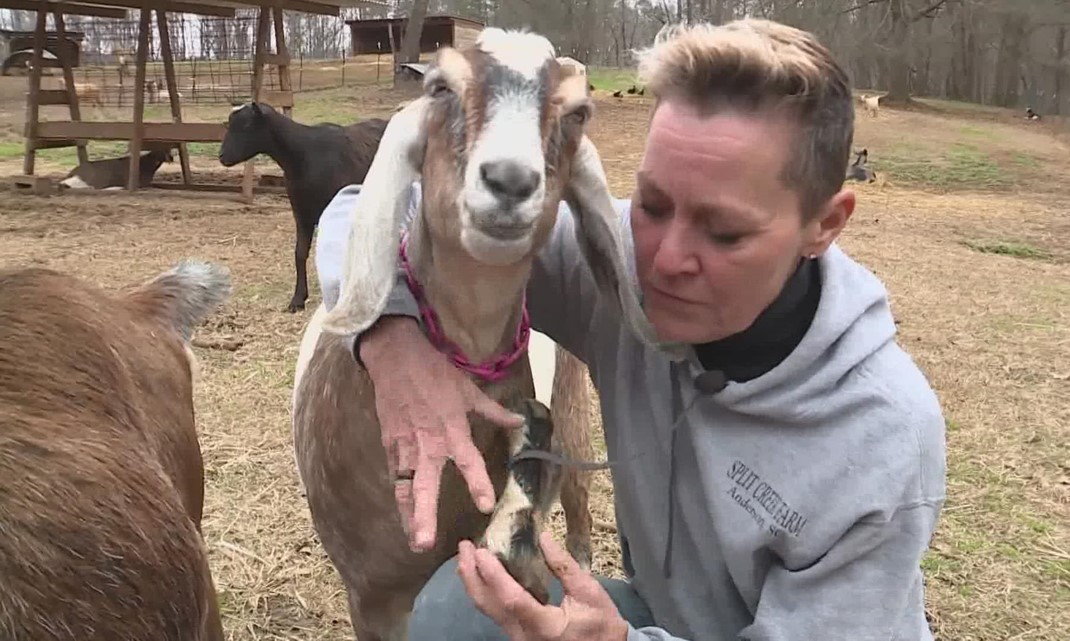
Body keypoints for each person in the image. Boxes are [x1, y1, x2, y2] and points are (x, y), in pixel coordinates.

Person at [313, 18, 947, 641]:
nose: (665, 261)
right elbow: (353, 212)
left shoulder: (878, 432)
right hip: (664, 611)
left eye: (724, 232)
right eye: (652, 205)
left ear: (826, 224)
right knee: (459, 607)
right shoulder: (618, 267)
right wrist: (391, 340)